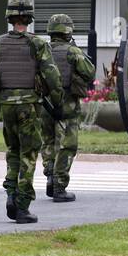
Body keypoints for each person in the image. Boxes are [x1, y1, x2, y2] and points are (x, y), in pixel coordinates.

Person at [0, 0, 66, 224]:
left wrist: (0, 97)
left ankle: (11, 193)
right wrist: (57, 103)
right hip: (29, 106)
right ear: (29, 18)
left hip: (6, 106)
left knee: (13, 151)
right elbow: (53, 77)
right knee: (28, 154)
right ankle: (22, 206)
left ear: (9, 18)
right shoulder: (37, 44)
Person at [41, 13, 97, 203]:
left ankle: (50, 175)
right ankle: (59, 187)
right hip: (67, 104)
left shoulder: (42, 50)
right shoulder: (72, 52)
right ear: (68, 31)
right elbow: (89, 73)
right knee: (67, 145)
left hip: (45, 104)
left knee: (48, 141)